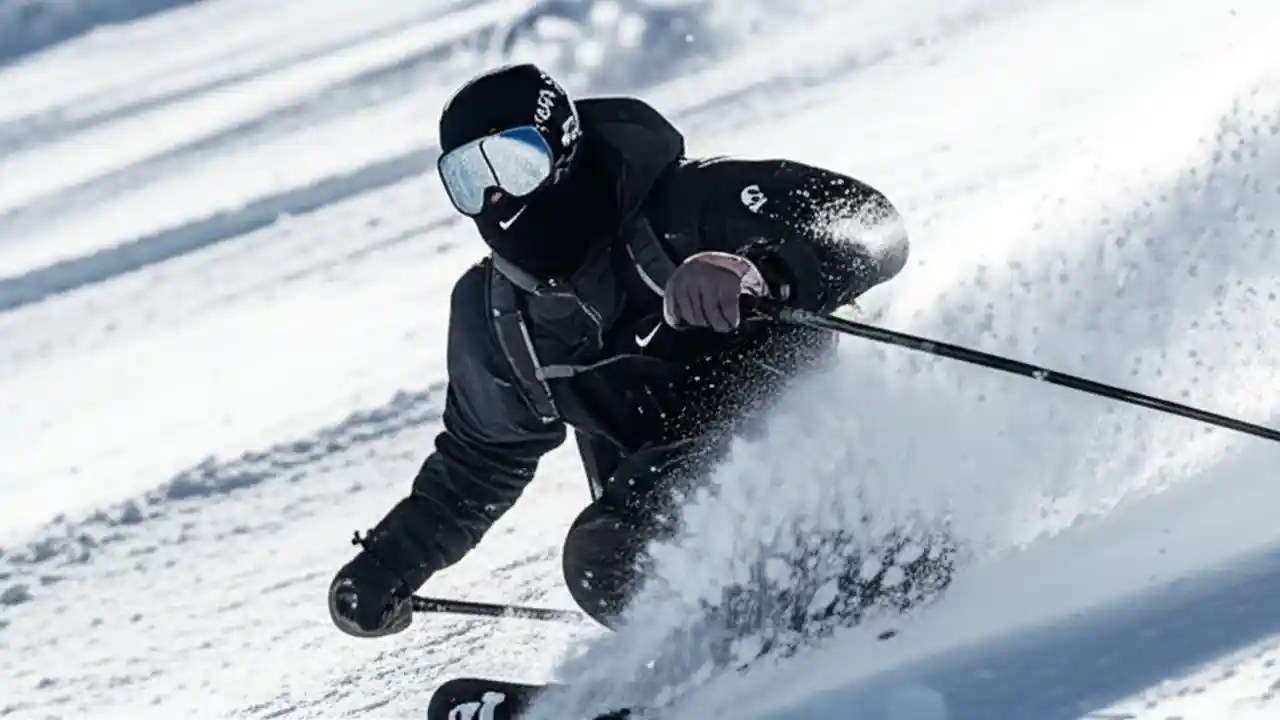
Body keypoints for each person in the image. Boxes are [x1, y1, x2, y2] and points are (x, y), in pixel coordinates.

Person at [327, 63, 914, 640]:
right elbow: (480, 461)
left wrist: (762, 272)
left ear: (564, 151)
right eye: (467, 180)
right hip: (659, 514)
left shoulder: (691, 205)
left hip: (821, 446)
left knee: (608, 551)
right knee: (613, 554)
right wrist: (389, 563)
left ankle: (833, 590)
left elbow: (870, 224)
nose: (496, 195)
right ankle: (726, 644)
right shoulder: (501, 319)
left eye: (515, 163)